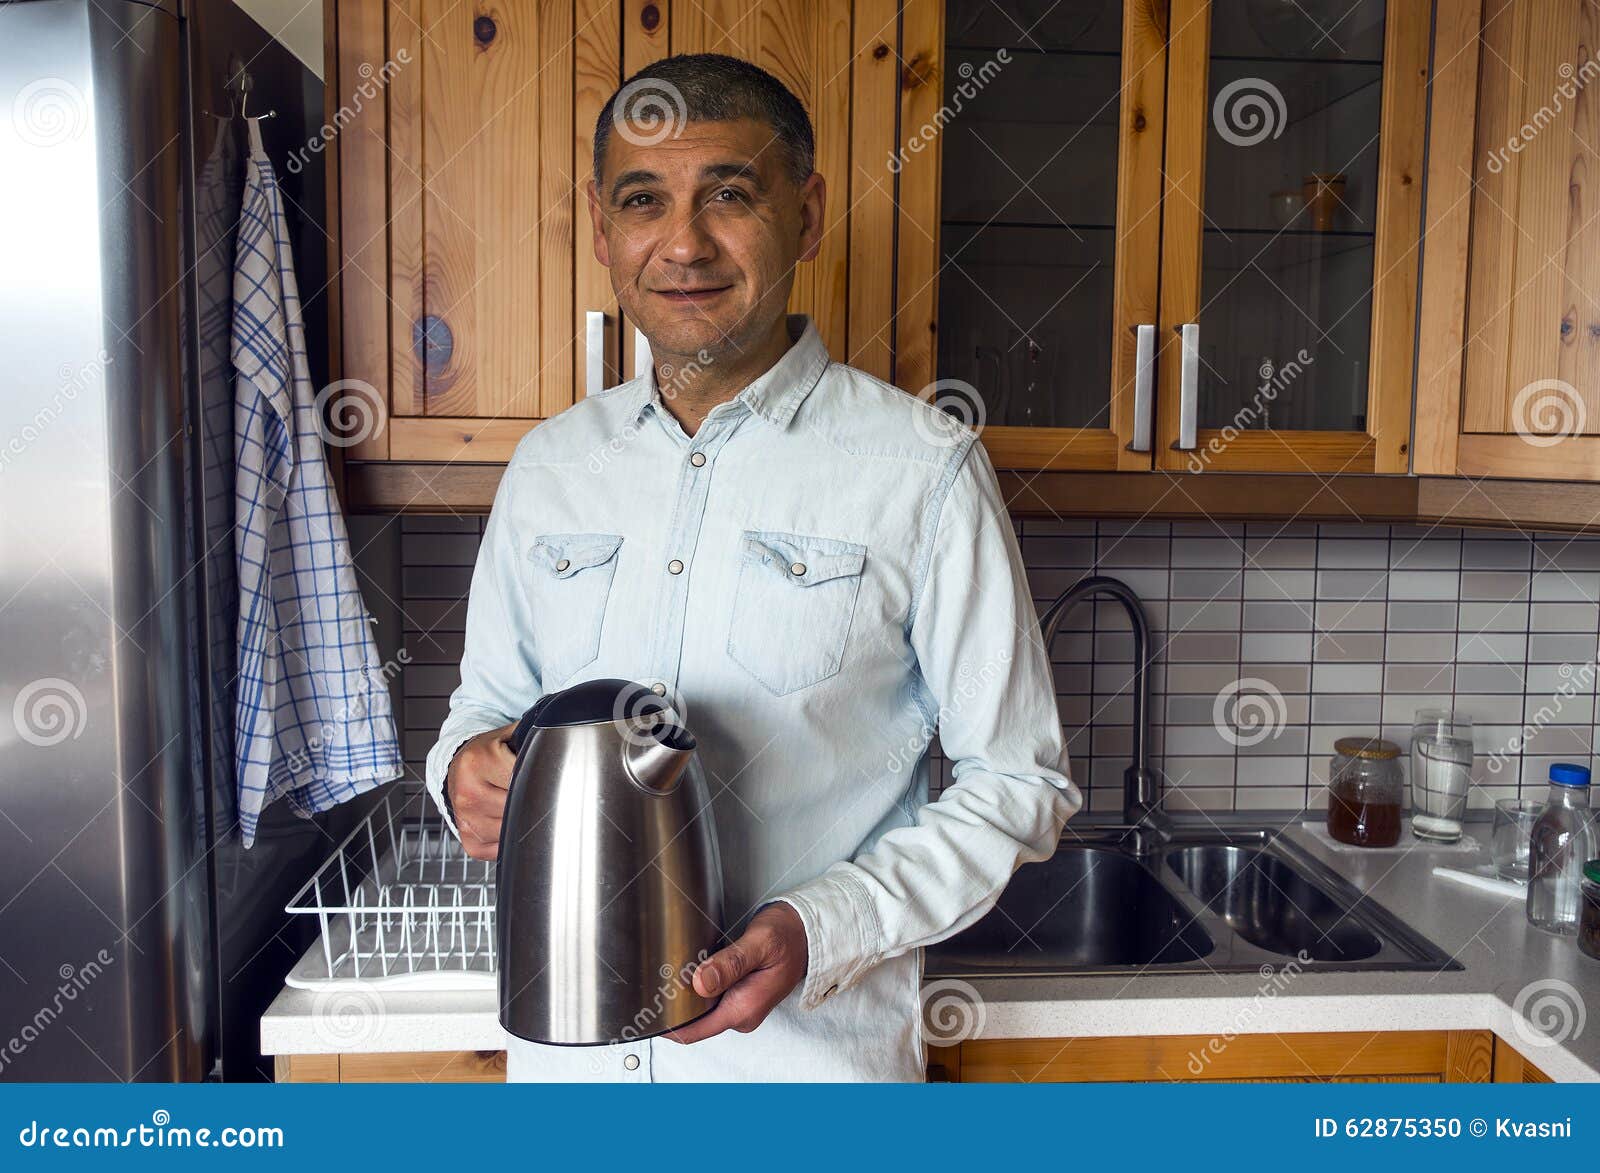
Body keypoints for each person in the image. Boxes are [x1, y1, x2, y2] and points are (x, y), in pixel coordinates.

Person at [426, 52, 1080, 1082]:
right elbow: (485, 710)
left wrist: (823, 925)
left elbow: (1018, 781)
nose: (684, 243)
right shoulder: (550, 468)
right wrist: (460, 770)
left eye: (729, 195)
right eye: (643, 200)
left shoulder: (923, 467)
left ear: (806, 216)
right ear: (601, 227)